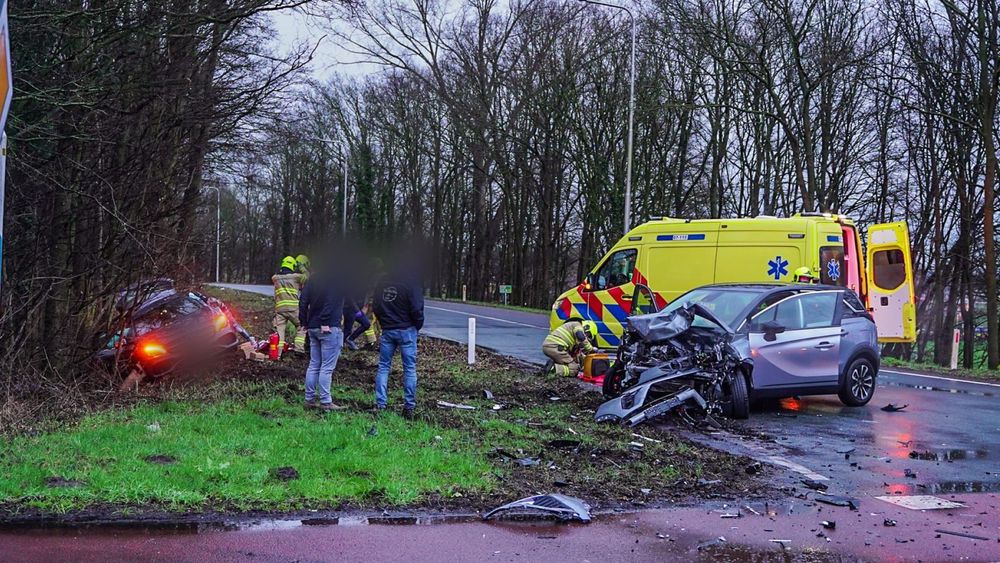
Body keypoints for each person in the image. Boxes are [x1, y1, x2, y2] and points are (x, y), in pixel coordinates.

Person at [372, 267, 424, 418]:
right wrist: (417, 325)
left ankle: (380, 403)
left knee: (383, 367)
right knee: (409, 369)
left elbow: (376, 306)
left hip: (388, 330)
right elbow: (417, 309)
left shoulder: (383, 281)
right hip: (407, 330)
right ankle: (409, 406)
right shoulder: (411, 282)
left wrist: (384, 322)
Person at [298, 264, 347, 412]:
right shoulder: (336, 280)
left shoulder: (312, 279)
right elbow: (330, 301)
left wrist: (303, 321)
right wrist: (325, 321)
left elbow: (303, 301)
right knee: (327, 367)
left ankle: (309, 399)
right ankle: (326, 402)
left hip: (312, 326)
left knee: (314, 364)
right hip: (329, 327)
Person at [272, 256, 307, 355]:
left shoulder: (275, 278)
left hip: (280, 310)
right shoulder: (296, 277)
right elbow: (307, 277)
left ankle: (277, 354)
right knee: (301, 326)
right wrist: (301, 267)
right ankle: (299, 349)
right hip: (293, 309)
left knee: (280, 331)